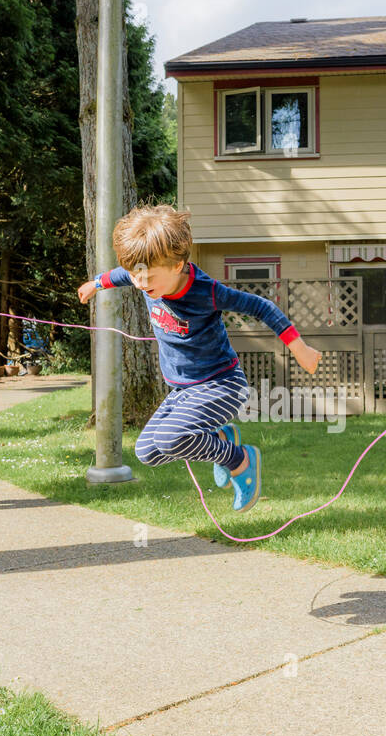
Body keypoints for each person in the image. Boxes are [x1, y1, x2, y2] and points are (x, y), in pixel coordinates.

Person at [78, 204, 322, 512]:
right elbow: (120, 276)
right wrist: (95, 284)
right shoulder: (147, 276)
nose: (140, 284)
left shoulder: (206, 292)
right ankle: (221, 436)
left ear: (177, 266)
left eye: (148, 277)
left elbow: (260, 306)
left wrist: (300, 348)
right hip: (183, 391)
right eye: (135, 275)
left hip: (221, 385)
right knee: (146, 452)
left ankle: (240, 459)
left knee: (169, 440)